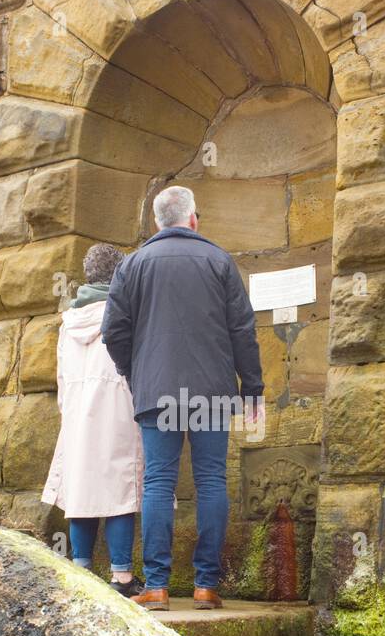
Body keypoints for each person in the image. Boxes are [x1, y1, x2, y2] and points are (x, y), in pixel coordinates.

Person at [102, 185, 264, 612]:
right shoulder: (219, 262)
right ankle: (205, 586)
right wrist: (254, 388)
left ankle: (156, 586)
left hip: (156, 390)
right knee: (212, 480)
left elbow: (113, 332)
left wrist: (134, 373)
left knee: (158, 481)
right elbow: (243, 331)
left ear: (158, 221)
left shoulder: (132, 265)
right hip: (211, 389)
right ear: (193, 218)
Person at [42, 243, 143, 597]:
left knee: (80, 491)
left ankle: (81, 570)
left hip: (76, 413)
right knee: (119, 490)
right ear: (119, 275)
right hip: (117, 408)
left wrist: (68, 412)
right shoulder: (125, 313)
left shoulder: (67, 323)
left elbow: (61, 378)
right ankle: (122, 578)